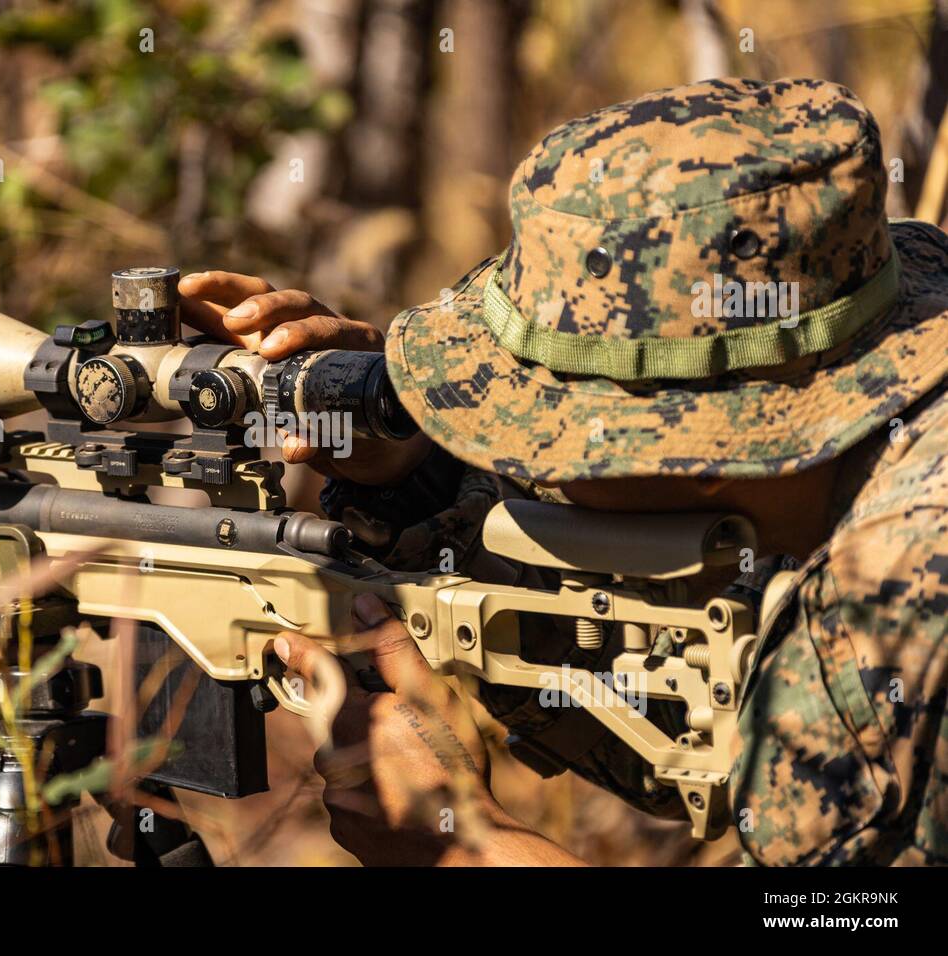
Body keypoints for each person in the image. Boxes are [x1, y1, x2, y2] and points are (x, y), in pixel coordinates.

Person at [178, 77, 948, 866]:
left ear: (702, 442)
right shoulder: (857, 490)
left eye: (536, 427)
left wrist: (470, 849)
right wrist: (408, 478)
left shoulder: (913, 576)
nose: (509, 452)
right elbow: (738, 702)